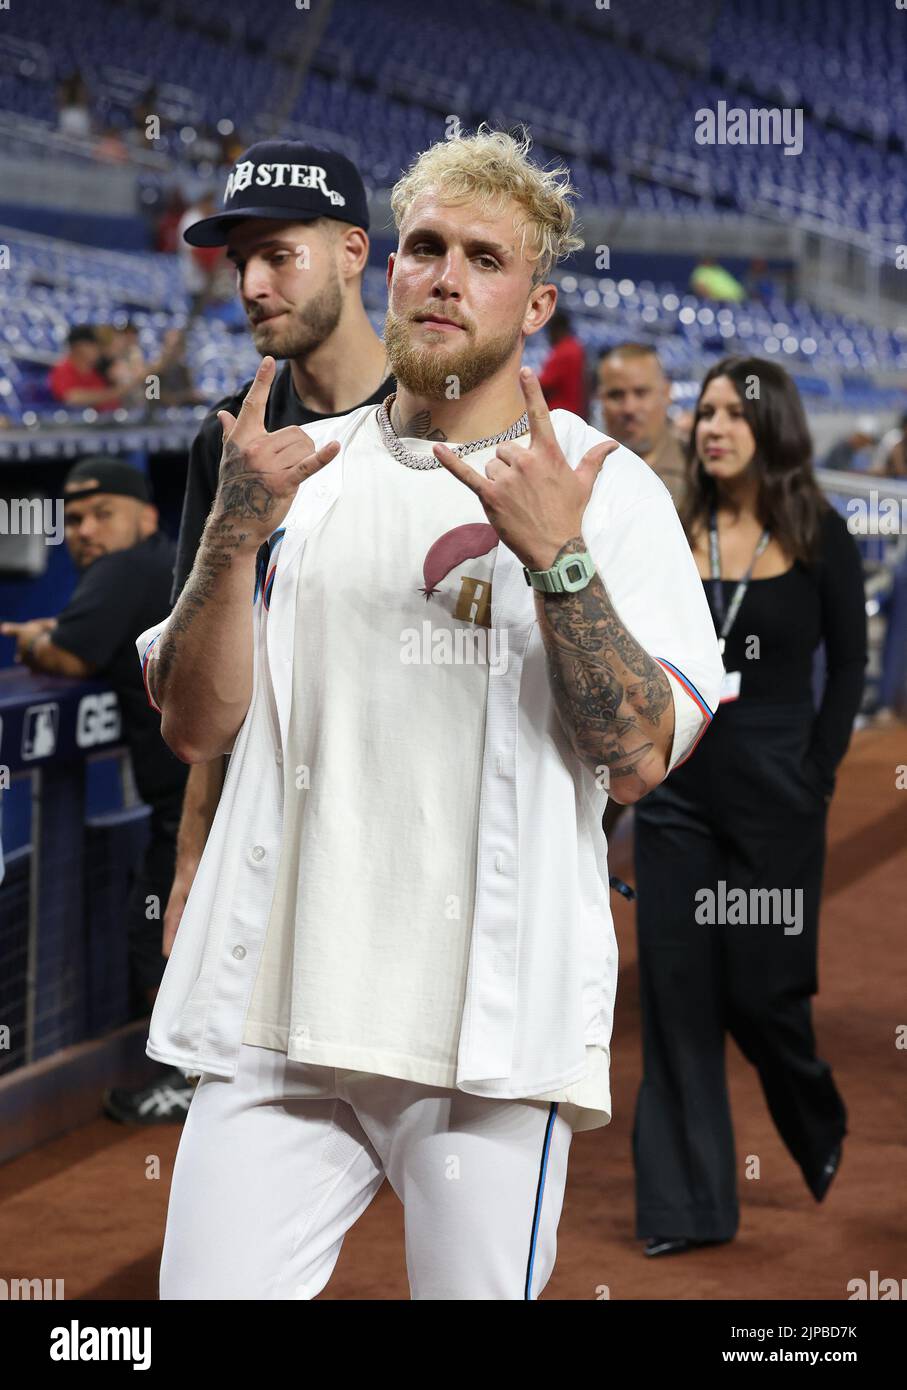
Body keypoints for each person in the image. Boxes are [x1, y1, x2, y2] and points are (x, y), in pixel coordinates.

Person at [137, 124, 723, 1300]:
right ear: (384, 268)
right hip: (279, 1024)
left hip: (483, 1050)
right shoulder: (294, 470)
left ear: (539, 300)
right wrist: (233, 530)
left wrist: (559, 562)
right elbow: (193, 727)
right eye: (425, 247)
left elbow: (638, 754)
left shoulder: (605, 492)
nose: (446, 275)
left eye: (484, 258)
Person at [631, 357, 867, 1257]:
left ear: (775, 428)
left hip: (777, 789)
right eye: (705, 411)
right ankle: (686, 1209)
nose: (715, 425)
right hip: (679, 787)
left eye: (735, 411)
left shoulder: (819, 532)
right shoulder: (670, 529)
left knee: (763, 991)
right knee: (678, 995)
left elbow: (848, 667)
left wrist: (817, 770)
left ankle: (812, 1111)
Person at [157, 139, 396, 991]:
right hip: (270, 831)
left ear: (354, 251)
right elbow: (205, 677)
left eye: (280, 255)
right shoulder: (228, 441)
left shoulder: (446, 419)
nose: (254, 284)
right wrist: (193, 860)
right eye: (242, 261)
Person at [0, 459, 194, 1123]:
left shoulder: (126, 567)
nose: (83, 530)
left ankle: (185, 1079)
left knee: (161, 932)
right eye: (74, 519)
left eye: (101, 513)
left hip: (196, 800)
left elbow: (69, 656)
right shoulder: (161, 561)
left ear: (144, 516)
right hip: (210, 791)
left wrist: (35, 640)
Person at [596, 342, 688, 507]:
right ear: (601, 400)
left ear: (666, 394)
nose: (629, 408)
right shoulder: (579, 473)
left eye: (641, 393)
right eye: (616, 395)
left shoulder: (698, 470)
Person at [49, 326, 123, 412]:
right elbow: (72, 398)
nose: (99, 350)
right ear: (79, 347)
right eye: (93, 345)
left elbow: (113, 403)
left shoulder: (95, 371)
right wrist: (118, 392)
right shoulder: (62, 369)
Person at [538, 307, 587, 417]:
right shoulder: (576, 347)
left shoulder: (562, 352)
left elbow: (544, 384)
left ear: (557, 329)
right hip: (576, 412)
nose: (548, 336)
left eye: (549, 330)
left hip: (559, 414)